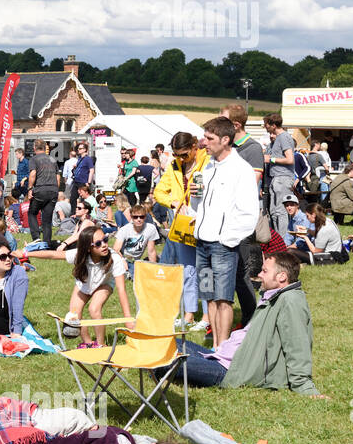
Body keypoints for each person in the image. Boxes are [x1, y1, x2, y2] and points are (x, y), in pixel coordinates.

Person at [162, 252, 325, 397]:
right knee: (164, 343)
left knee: (163, 359)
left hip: (233, 370)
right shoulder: (273, 295)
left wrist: (303, 385)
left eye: (265, 271)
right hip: (222, 357)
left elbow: (297, 344)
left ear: (282, 277)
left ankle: (159, 368)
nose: (259, 274)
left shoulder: (291, 301)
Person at [192, 116, 261, 348]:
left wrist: (227, 239)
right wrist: (195, 198)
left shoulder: (241, 170)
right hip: (202, 243)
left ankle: (222, 349)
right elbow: (202, 205)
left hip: (222, 246)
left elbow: (249, 212)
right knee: (208, 296)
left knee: (223, 299)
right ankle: (214, 345)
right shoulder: (209, 165)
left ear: (225, 140)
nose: (204, 142)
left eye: (209, 138)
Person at [25, 224, 133, 347]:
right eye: (98, 243)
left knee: (94, 309)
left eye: (105, 240)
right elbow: (53, 255)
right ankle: (87, 343)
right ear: (88, 248)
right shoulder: (79, 254)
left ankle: (101, 345)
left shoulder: (114, 259)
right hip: (84, 284)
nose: (104, 244)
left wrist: (128, 319)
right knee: (74, 315)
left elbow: (121, 290)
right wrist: (26, 254)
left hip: (105, 283)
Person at [152, 131, 209, 329]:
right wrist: (173, 202)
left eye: (184, 154)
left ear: (195, 147)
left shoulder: (208, 161)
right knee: (188, 271)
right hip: (182, 225)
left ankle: (208, 317)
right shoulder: (174, 166)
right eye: (177, 155)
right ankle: (189, 314)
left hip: (204, 223)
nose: (181, 159)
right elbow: (159, 192)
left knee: (205, 271)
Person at [262, 113, 298, 234]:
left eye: (266, 125)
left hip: (283, 178)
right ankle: (278, 241)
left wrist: (270, 159)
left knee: (281, 212)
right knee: (274, 211)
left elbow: (290, 159)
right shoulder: (278, 139)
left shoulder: (283, 137)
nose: (265, 127)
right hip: (276, 178)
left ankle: (284, 242)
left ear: (273, 125)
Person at [111, 202, 161, 277]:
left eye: (141, 217)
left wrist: (153, 267)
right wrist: (123, 261)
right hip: (124, 259)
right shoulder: (124, 229)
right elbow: (116, 250)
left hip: (137, 261)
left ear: (145, 217)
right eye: (135, 217)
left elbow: (151, 251)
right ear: (131, 217)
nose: (138, 219)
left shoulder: (150, 228)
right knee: (138, 275)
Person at [25, 140, 58, 242]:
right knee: (47, 219)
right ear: (44, 148)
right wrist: (56, 189)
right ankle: (47, 242)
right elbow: (58, 176)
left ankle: (36, 238)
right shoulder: (52, 159)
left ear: (34, 148)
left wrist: (30, 189)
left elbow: (33, 174)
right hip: (53, 190)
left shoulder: (34, 159)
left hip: (40, 190)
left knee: (32, 213)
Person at [69, 141, 94, 209]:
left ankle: (84, 213)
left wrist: (88, 182)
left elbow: (91, 170)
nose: (78, 150)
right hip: (76, 181)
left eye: (80, 149)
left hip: (83, 182)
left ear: (85, 150)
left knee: (83, 199)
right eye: (78, 149)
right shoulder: (80, 158)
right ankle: (73, 213)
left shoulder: (88, 159)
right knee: (72, 199)